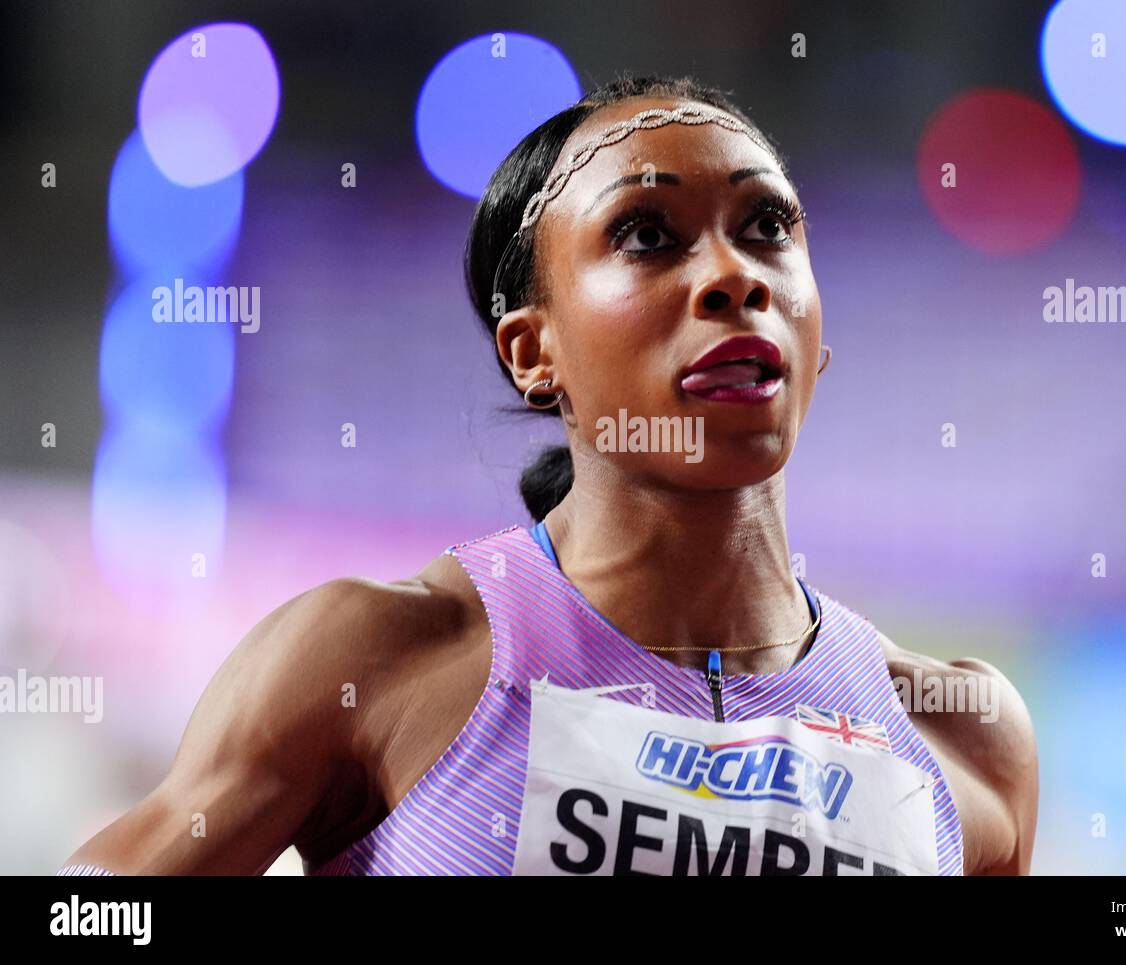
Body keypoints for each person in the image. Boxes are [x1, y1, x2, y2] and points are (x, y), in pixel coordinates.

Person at [58, 74, 1037, 876]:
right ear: (534, 352)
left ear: (815, 329)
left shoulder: (959, 734)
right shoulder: (377, 659)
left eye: (766, 225)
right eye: (648, 233)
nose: (735, 276)